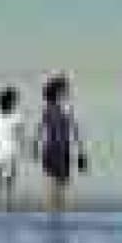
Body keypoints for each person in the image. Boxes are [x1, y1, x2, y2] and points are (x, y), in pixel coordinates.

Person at [35, 73, 89, 212]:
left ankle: (55, 221)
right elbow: (74, 130)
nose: (68, 92)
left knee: (57, 192)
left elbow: (40, 130)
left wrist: (81, 153)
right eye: (65, 89)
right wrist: (81, 152)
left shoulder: (50, 108)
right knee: (56, 192)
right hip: (56, 152)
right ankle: (55, 221)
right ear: (59, 91)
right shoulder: (59, 108)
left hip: (58, 152)